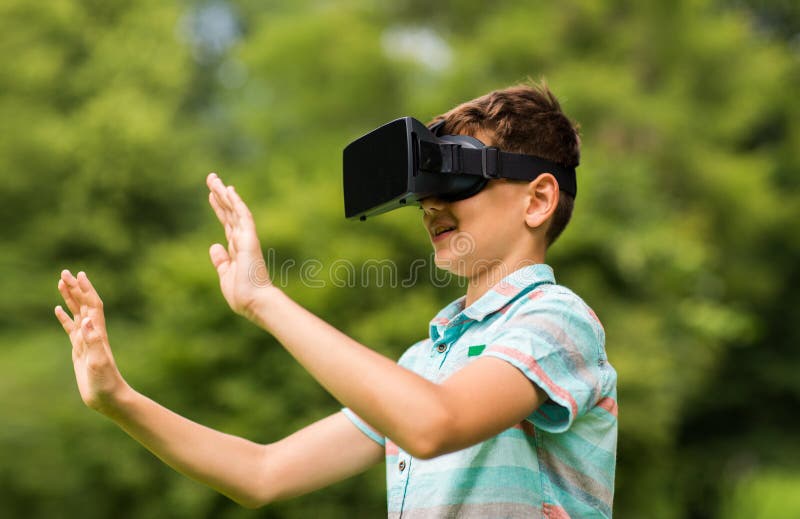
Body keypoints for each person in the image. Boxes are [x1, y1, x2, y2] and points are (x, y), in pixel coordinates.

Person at [55, 81, 617, 518]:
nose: (429, 206)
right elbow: (263, 472)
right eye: (424, 188)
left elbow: (434, 424)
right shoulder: (424, 364)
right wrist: (118, 400)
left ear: (538, 199)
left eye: (456, 179)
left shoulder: (558, 322)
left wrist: (262, 300)